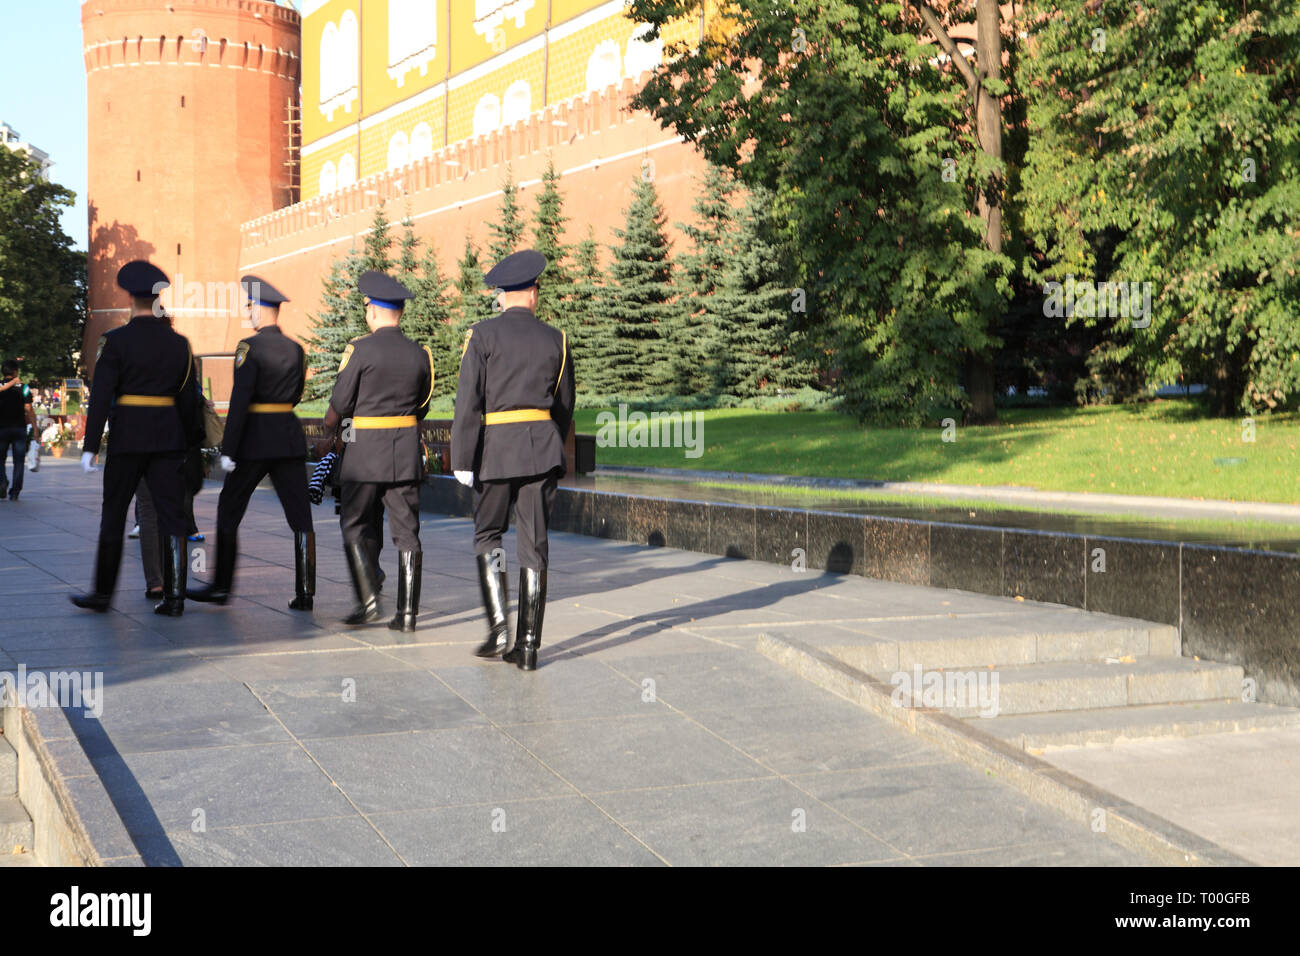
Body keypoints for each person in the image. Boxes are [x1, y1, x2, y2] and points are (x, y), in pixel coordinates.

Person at [451, 249, 575, 671]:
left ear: (502, 296)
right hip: (540, 449)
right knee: (534, 545)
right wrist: (550, 439)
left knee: (488, 535)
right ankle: (529, 647)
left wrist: (463, 458)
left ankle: (500, 627)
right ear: (534, 294)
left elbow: (467, 401)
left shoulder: (482, 336)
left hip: (496, 452)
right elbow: (565, 406)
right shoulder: (555, 339)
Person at [71, 261, 204, 616]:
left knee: (114, 514)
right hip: (167, 439)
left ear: (130, 297)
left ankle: (102, 595)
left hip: (128, 438)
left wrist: (89, 446)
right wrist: (193, 444)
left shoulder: (114, 342)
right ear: (158, 297)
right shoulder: (179, 343)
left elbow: (101, 396)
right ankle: (175, 596)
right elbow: (189, 400)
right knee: (172, 517)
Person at [316, 270, 433, 630]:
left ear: (373, 311)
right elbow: (423, 405)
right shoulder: (420, 354)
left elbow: (341, 401)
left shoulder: (360, 349)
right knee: (407, 532)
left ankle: (368, 601)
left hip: (364, 454)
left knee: (354, 524)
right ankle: (408, 613)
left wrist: (329, 425)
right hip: (404, 455)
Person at [189, 276, 315, 610]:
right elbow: (298, 393)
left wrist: (229, 450)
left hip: (255, 440)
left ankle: (221, 587)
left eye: (250, 306)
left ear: (260, 309)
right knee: (301, 518)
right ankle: (305, 593)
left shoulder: (250, 347)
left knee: (229, 510)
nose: (249, 313)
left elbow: (241, 398)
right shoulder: (297, 349)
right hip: (287, 437)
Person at [0, 361, 37, 501]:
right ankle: (15, 492)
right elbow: (28, 409)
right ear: (15, 372)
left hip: (1, 428)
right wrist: (35, 429)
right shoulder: (24, 387)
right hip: (19, 428)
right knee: (19, 461)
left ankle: (2, 481)